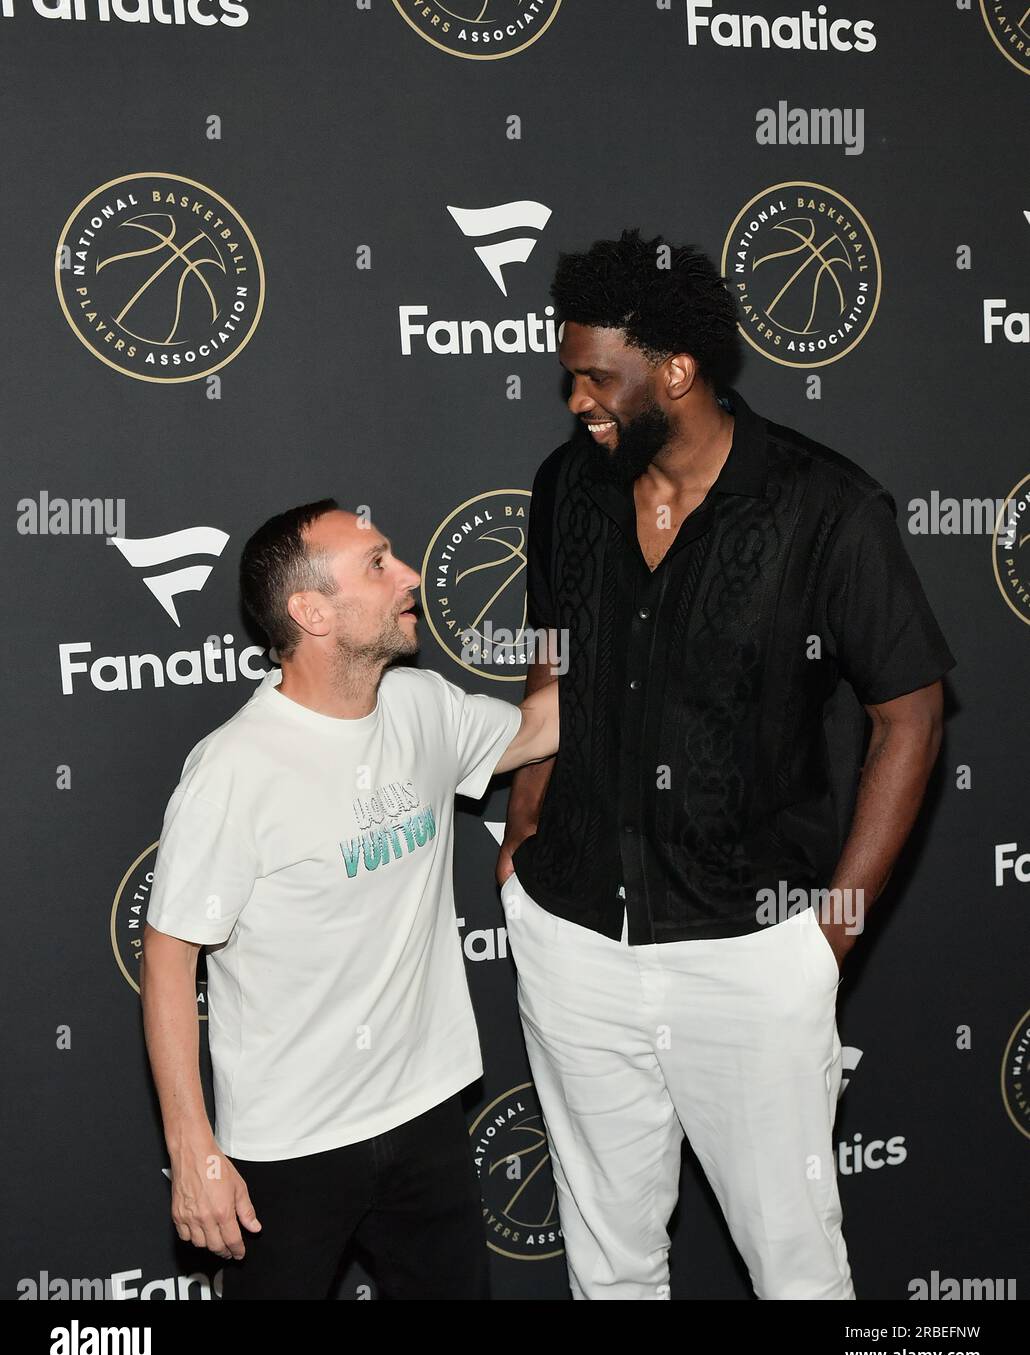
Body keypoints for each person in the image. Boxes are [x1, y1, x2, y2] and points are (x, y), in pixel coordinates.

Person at [497, 229, 957, 1300]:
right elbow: (553, 658)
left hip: (749, 955)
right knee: (609, 1263)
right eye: (565, 375)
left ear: (675, 371)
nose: (575, 399)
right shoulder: (567, 487)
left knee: (794, 1263)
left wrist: (831, 930)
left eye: (594, 378)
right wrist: (524, 829)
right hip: (573, 934)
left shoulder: (823, 508)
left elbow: (913, 714)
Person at [140, 500, 558, 1300]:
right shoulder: (234, 770)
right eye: (377, 563)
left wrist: (657, 658)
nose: (409, 576)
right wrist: (195, 1150)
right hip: (289, 1145)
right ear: (311, 611)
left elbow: (536, 729)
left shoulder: (421, 705)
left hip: (429, 1112)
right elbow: (168, 959)